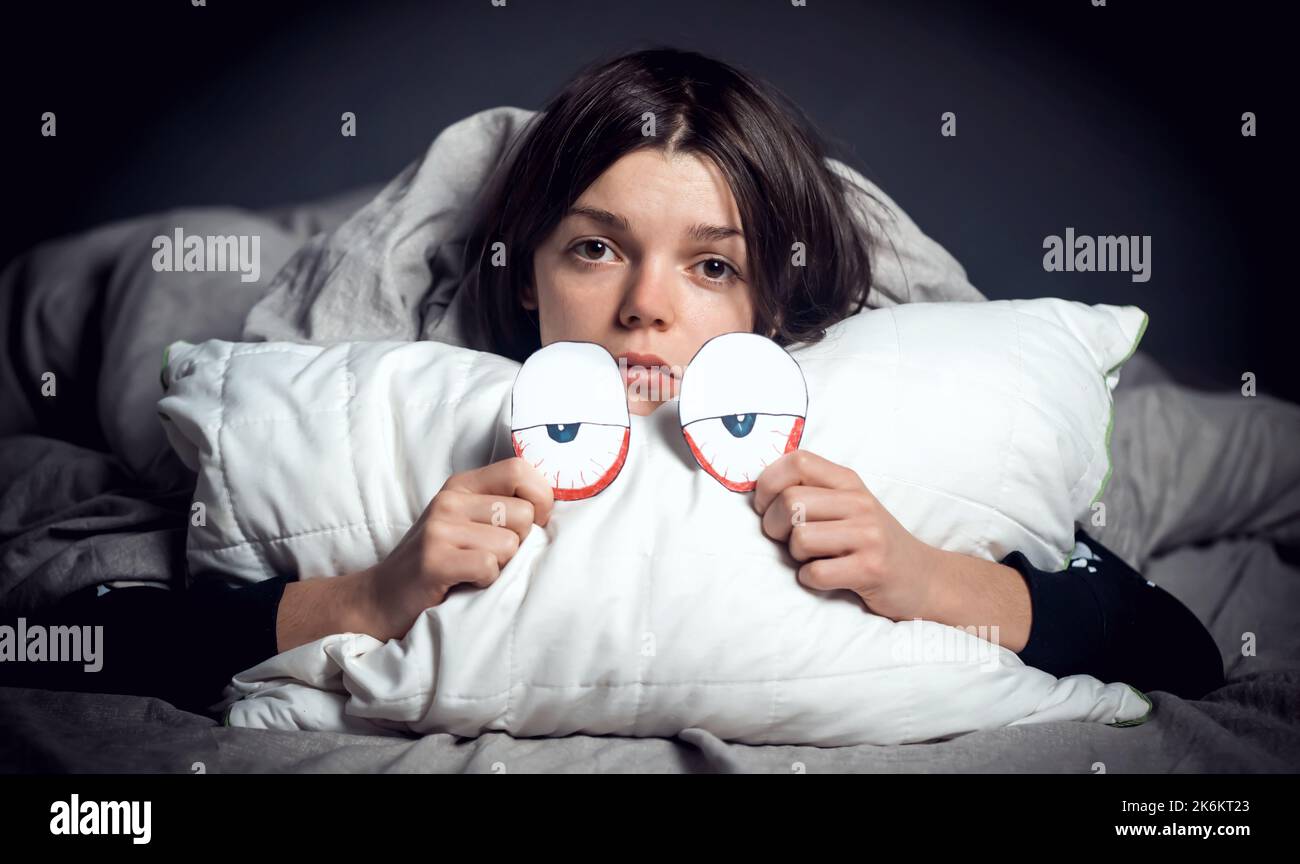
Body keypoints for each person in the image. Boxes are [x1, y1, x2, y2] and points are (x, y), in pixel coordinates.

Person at [0, 48, 1223, 716]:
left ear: (773, 307)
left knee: (1170, 437)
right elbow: (66, 631)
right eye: (596, 248)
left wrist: (932, 576)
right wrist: (369, 595)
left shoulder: (835, 383)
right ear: (529, 273)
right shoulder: (414, 384)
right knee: (133, 300)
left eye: (710, 266)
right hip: (286, 269)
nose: (647, 305)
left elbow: (1177, 650)